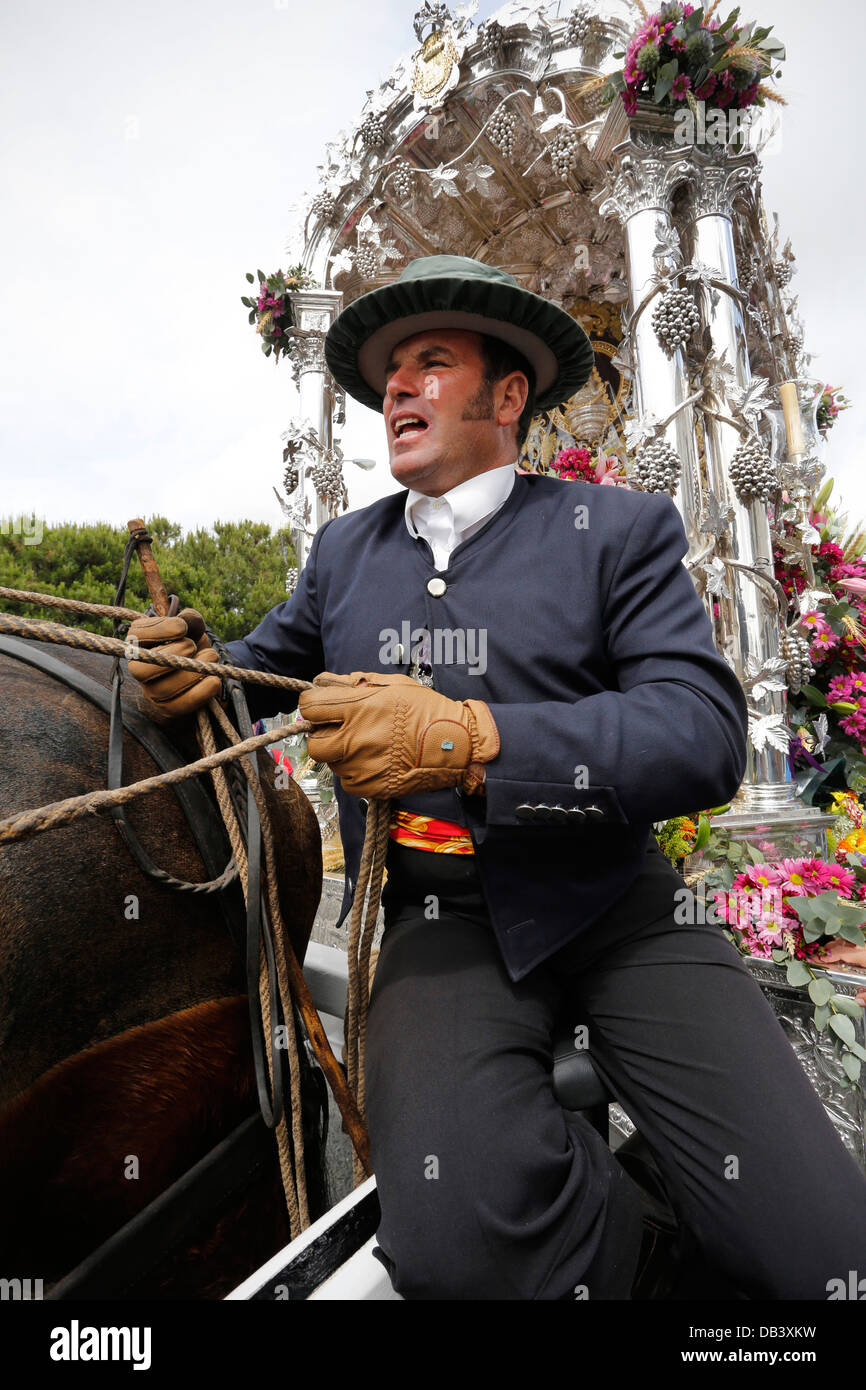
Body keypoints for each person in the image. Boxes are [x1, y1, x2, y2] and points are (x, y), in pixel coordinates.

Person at [127, 255, 866, 1300]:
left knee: (824, 1257)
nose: (395, 387)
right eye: (389, 372)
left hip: (621, 909)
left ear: (507, 396)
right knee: (451, 1245)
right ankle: (645, 1258)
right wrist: (187, 673)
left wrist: (466, 742)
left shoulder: (615, 531)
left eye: (430, 363)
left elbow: (698, 732)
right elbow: (253, 676)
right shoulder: (341, 551)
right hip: (442, 926)